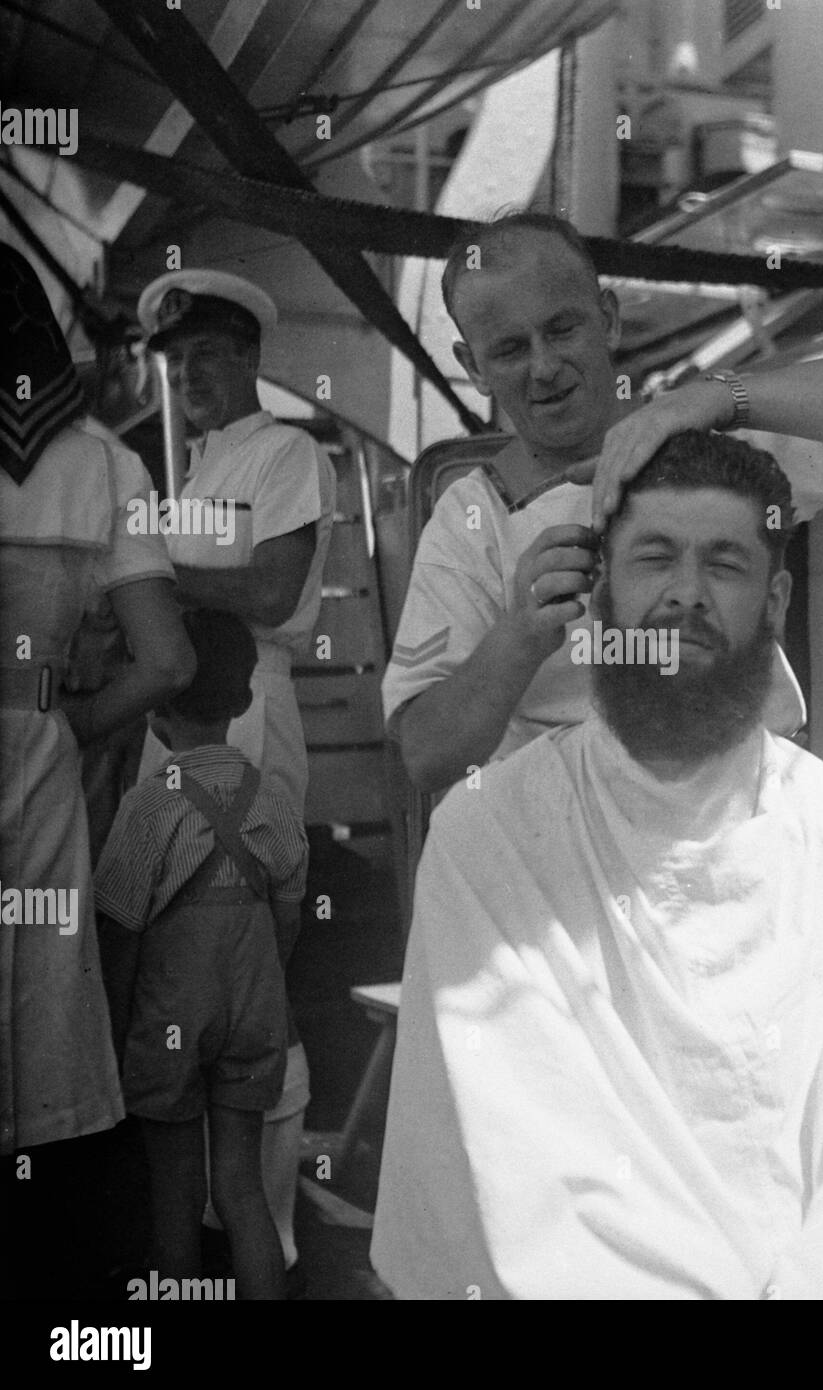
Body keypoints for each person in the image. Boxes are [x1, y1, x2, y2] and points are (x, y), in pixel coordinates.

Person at [371, 429, 823, 1299]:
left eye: (726, 564)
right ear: (600, 594)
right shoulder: (493, 835)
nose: (686, 595)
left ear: (776, 599)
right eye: (655, 558)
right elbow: (518, 1181)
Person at [382, 211, 823, 795]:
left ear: (608, 320)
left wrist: (715, 400)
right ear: (473, 368)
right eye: (510, 349)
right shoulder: (473, 519)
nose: (543, 366)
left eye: (562, 329)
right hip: (568, 836)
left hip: (744, 809)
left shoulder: (704, 443)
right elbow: (426, 756)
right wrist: (520, 635)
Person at [0, 243, 195, 1296]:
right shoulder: (105, 464)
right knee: (38, 1018)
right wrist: (67, 727)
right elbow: (166, 659)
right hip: (35, 747)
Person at [135, 266, 336, 1282]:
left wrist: (141, 568)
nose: (192, 374)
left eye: (210, 353)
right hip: (189, 710)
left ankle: (274, 1214)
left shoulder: (282, 451)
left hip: (248, 702)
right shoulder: (195, 470)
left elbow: (268, 585)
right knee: (213, 968)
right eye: (177, 361)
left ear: (252, 356)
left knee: (261, 966)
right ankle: (229, 1209)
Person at [96, 610, 307, 1301]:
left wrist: (119, 1033)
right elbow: (287, 917)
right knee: (244, 1191)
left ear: (156, 708)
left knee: (174, 1196)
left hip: (168, 1020)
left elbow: (120, 935)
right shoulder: (272, 800)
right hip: (254, 1011)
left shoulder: (146, 808)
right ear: (245, 700)